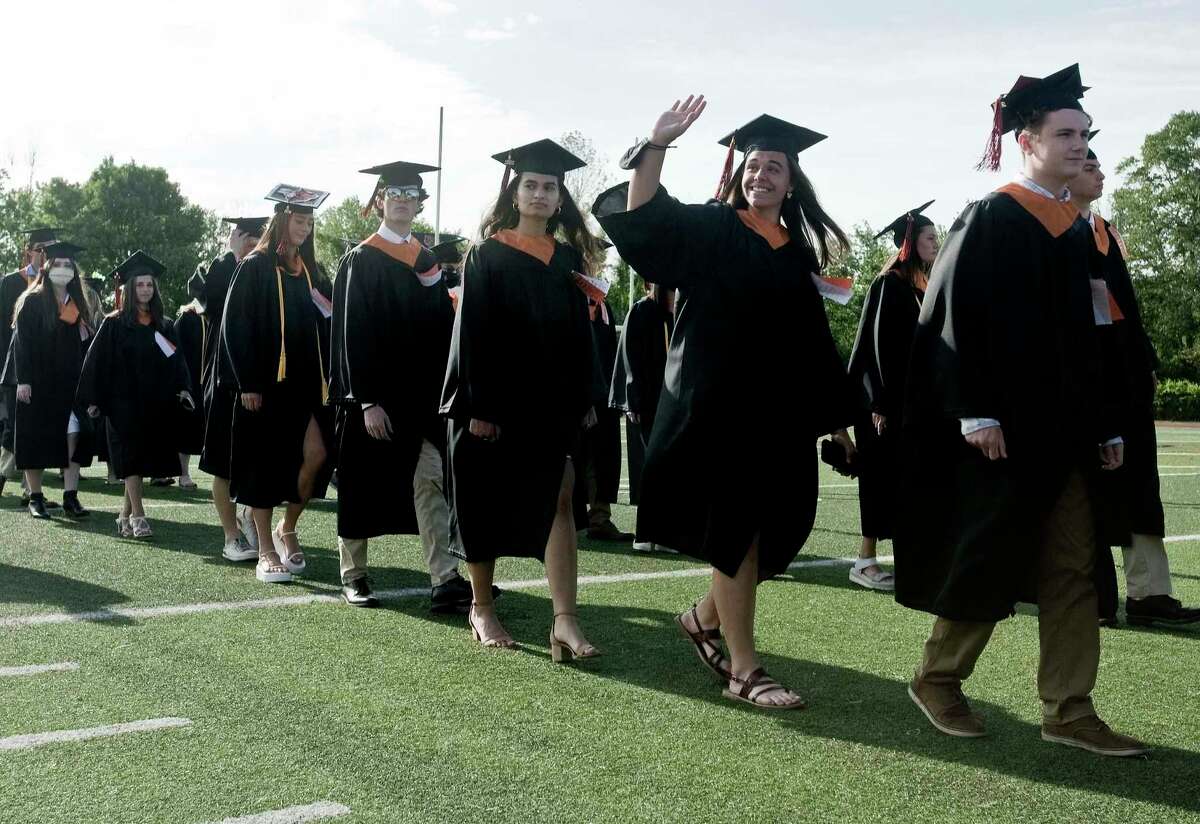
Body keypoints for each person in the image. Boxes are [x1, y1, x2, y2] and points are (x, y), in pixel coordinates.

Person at [896, 65, 1148, 756]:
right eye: (1065, 133)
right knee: (991, 559)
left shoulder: (1076, 231)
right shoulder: (994, 216)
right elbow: (949, 318)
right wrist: (974, 411)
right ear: (1027, 141)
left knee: (1073, 567)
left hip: (1068, 433)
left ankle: (1068, 708)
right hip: (1002, 432)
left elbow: (1095, 342)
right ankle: (937, 678)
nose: (1079, 143)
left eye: (1085, 133)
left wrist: (1107, 424)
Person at [595, 101, 858, 709]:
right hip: (718, 407)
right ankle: (744, 668)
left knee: (777, 532)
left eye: (773, 167)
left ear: (792, 182)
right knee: (737, 533)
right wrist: (656, 144)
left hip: (780, 415)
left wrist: (838, 424)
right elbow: (649, 221)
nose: (759, 174)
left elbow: (813, 343)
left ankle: (700, 618)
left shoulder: (794, 250)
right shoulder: (715, 227)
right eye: (752, 164)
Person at [441, 138, 602, 659]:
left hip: (550, 402)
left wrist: (586, 395)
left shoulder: (567, 259)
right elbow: (473, 333)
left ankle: (565, 621)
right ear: (514, 191)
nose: (539, 193)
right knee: (483, 503)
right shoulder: (486, 254)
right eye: (530, 184)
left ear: (560, 199)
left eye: (549, 187)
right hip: (493, 404)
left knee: (560, 495)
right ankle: (482, 606)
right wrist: (480, 407)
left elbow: (581, 333)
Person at [330, 160, 471, 610]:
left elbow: (439, 329)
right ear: (379, 203)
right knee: (361, 483)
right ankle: (353, 574)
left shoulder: (425, 259)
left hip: (422, 395)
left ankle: (445, 577)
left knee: (430, 479)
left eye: (411, 195)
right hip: (374, 396)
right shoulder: (362, 258)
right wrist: (367, 399)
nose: (404, 202)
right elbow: (353, 331)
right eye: (395, 195)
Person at [1071, 138, 1200, 627]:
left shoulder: (1102, 231)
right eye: (1089, 164)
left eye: (1099, 163)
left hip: (1124, 384)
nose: (1099, 172)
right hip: (1085, 380)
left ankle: (1150, 595)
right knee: (1088, 492)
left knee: (1142, 487)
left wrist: (1142, 359)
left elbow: (1123, 308)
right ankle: (1093, 599)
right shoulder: (1055, 231)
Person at [222, 185, 335, 584]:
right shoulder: (254, 266)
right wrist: (247, 382)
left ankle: (287, 527)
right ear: (282, 219)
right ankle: (266, 550)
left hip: (305, 383)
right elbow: (235, 325)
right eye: (298, 220)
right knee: (265, 463)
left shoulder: (311, 272)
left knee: (317, 453)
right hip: (266, 384)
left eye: (308, 222)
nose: (303, 229)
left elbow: (330, 319)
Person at [845, 201, 939, 591]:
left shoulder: (920, 286)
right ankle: (864, 562)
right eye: (930, 237)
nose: (937, 242)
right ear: (911, 242)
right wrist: (881, 403)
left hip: (903, 405)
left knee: (900, 484)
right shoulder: (890, 284)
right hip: (879, 406)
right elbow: (880, 346)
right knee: (880, 482)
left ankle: (911, 560)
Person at [78, 251, 193, 538]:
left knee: (140, 459)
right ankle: (140, 515)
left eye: (149, 285)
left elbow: (176, 360)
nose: (145, 289)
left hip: (155, 402)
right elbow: (96, 361)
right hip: (122, 403)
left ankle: (124, 514)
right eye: (140, 284)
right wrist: (93, 399)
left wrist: (183, 388)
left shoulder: (163, 325)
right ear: (130, 289)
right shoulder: (114, 324)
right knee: (130, 455)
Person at [1, 240, 95, 518]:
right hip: (37, 383)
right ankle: (36, 498)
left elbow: (86, 347)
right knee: (35, 438)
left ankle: (70, 496)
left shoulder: (77, 304)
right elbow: (22, 344)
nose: (63, 269)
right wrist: (24, 380)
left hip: (69, 383)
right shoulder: (32, 300)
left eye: (68, 265)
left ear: (74, 272)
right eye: (58, 264)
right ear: (47, 267)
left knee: (76, 434)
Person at [200, 216, 267, 562]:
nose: (252, 244)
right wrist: (229, 254)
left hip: (258, 380)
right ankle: (231, 535)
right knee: (223, 464)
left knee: (256, 460)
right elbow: (209, 299)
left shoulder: (266, 271)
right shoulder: (220, 270)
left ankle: (253, 521)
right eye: (247, 238)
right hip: (225, 381)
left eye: (258, 238)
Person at [0, 228, 61, 505]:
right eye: (41, 248)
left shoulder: (54, 286)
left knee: (33, 428)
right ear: (29, 251)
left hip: (43, 371)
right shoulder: (11, 282)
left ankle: (31, 490)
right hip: (12, 367)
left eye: (50, 248)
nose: (45, 253)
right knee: (14, 429)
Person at [171, 269, 208, 490]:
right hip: (191, 382)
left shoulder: (216, 314)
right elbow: (174, 349)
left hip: (212, 381)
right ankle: (183, 474)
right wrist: (181, 382)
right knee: (187, 429)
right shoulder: (187, 317)